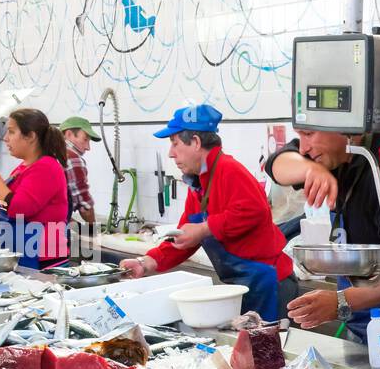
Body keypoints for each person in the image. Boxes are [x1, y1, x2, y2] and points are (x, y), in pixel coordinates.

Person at [265, 128, 380, 339]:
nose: (303, 147)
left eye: (309, 134)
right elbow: (276, 165)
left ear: (345, 125)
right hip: (363, 324)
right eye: (300, 135)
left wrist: (341, 301)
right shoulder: (338, 158)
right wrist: (310, 170)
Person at [120, 104, 296, 321]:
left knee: (267, 352)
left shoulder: (229, 170)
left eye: (175, 144)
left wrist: (205, 228)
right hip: (243, 288)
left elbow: (254, 211)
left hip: (269, 285)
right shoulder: (199, 184)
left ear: (195, 142)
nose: (171, 153)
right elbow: (183, 237)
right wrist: (146, 263)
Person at [0, 108, 70, 270]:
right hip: (21, 253)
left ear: (30, 136)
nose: (5, 138)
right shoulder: (25, 167)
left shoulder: (47, 168)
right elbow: (9, 199)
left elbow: (18, 208)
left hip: (42, 261)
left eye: (11, 132)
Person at [58, 115, 101, 226]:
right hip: (48, 233)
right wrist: (93, 229)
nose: (88, 147)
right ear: (68, 134)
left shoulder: (48, 152)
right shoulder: (72, 158)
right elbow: (84, 205)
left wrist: (74, 225)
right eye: (85, 139)